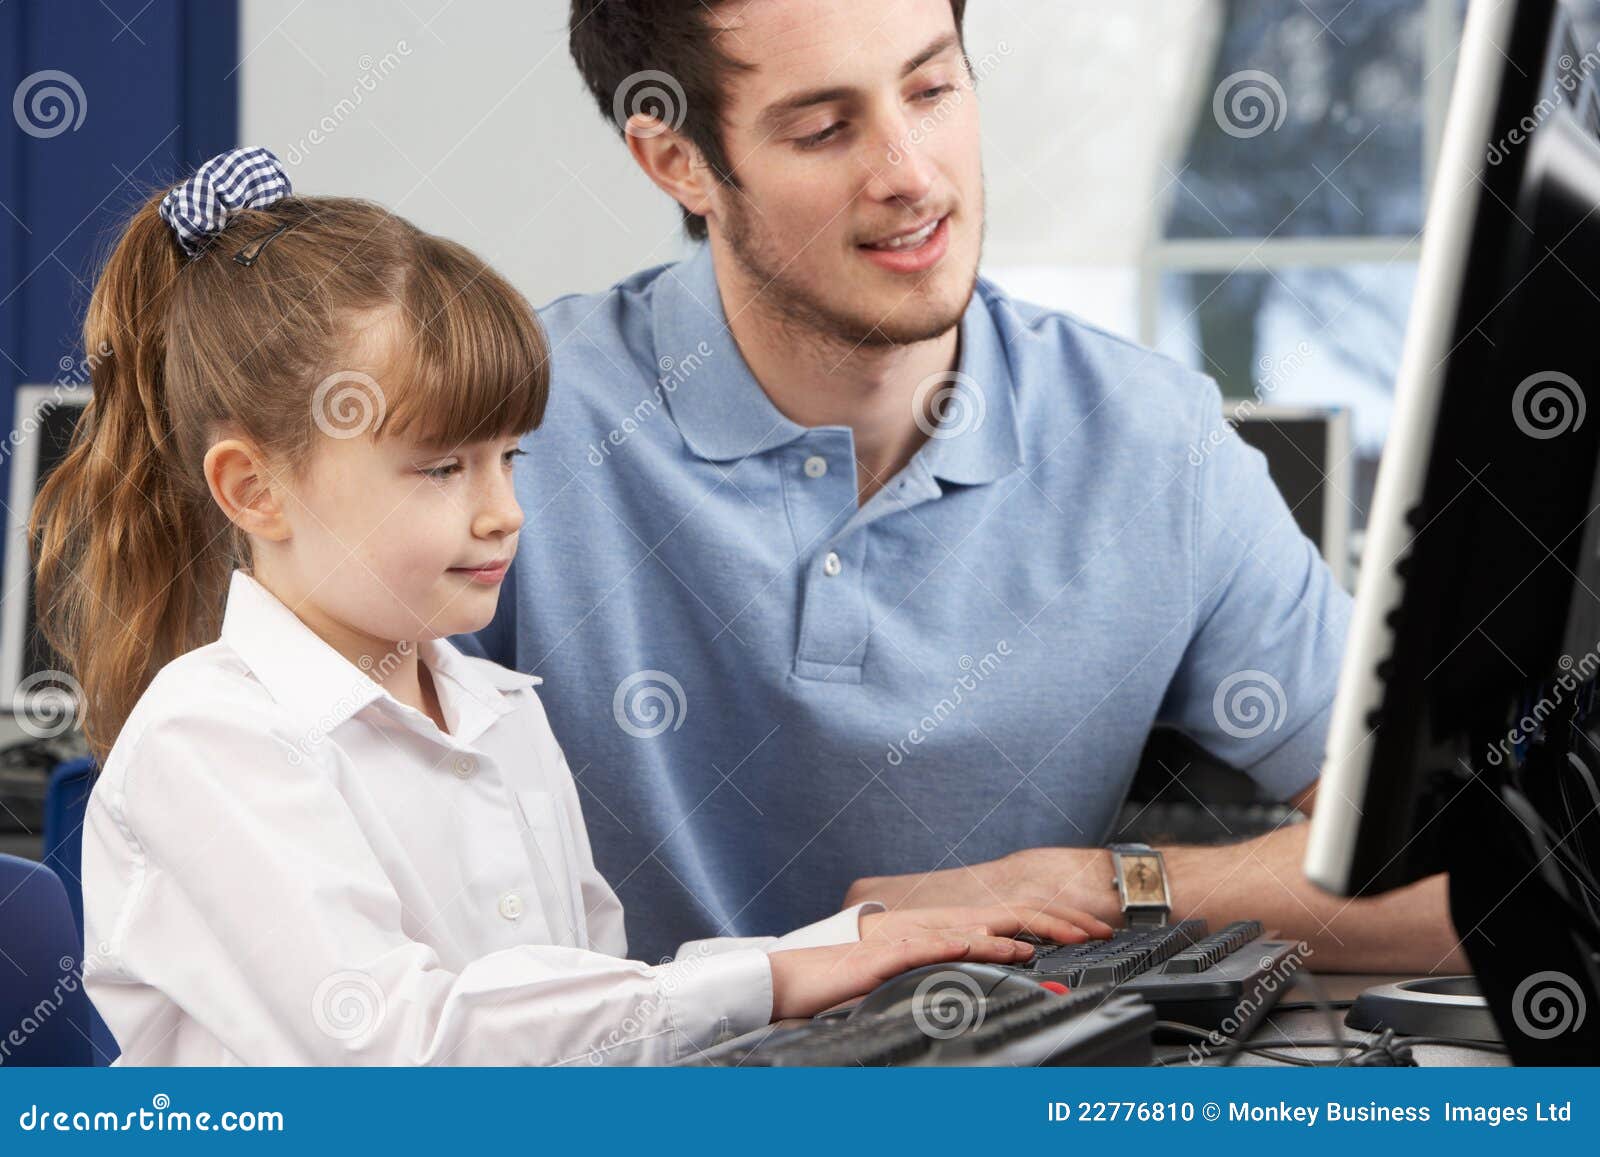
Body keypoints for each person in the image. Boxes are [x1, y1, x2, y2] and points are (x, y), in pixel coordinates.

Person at [32, 148, 1110, 1066]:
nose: (503, 511)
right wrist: (783, 973)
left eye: (510, 457)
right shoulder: (210, 736)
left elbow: (599, 1004)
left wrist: (862, 938)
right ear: (254, 488)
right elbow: (407, 1047)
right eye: (441, 467)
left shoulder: (499, 705)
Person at [455, 0, 1467, 974]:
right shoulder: (501, 424)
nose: (909, 173)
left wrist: (1086, 886)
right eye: (822, 127)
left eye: (932, 88)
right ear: (676, 161)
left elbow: (1472, 866)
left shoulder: (1151, 443)